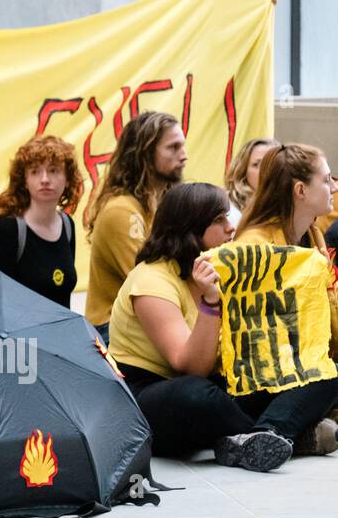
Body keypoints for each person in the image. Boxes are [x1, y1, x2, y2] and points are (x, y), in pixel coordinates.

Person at [108, 183, 338, 470]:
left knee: (319, 371)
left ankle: (264, 434)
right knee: (195, 396)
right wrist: (211, 301)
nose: (231, 228)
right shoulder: (150, 280)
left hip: (215, 385)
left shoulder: (222, 267)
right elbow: (190, 366)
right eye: (219, 220)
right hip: (155, 394)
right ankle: (285, 432)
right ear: (190, 228)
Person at [84, 111, 187, 341]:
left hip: (142, 319)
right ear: (146, 154)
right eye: (173, 147)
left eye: (182, 146)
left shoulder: (160, 203)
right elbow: (150, 282)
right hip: (110, 328)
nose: (184, 155)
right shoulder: (121, 210)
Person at [236, 143, 338, 364]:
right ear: (301, 190)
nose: (334, 188)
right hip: (271, 373)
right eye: (327, 180)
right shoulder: (254, 246)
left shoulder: (314, 236)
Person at [0, 135, 83, 308]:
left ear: (67, 180)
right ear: (25, 181)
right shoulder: (8, 229)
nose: (44, 179)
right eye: (35, 171)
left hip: (60, 333)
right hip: (21, 335)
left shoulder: (67, 225)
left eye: (53, 170)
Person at [223, 136, 279, 230]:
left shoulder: (292, 206)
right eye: (257, 164)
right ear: (243, 170)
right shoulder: (228, 209)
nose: (265, 170)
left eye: (271, 163)